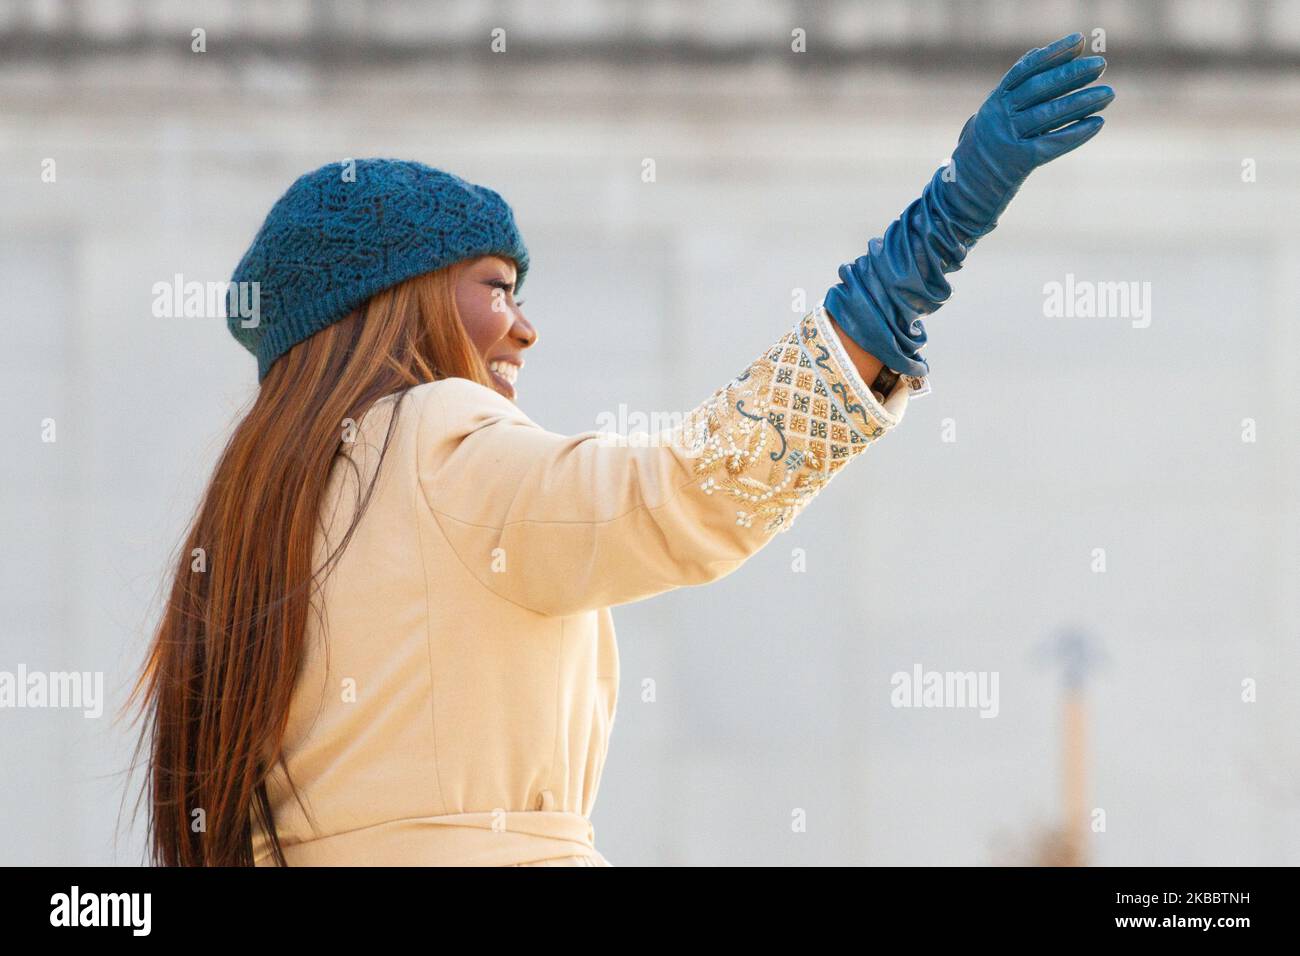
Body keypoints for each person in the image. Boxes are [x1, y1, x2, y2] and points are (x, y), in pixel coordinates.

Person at [133, 33, 1112, 866]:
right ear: (393, 299)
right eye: (494, 285)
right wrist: (918, 256)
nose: (524, 329)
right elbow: (683, 492)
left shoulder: (258, 506)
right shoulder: (437, 443)